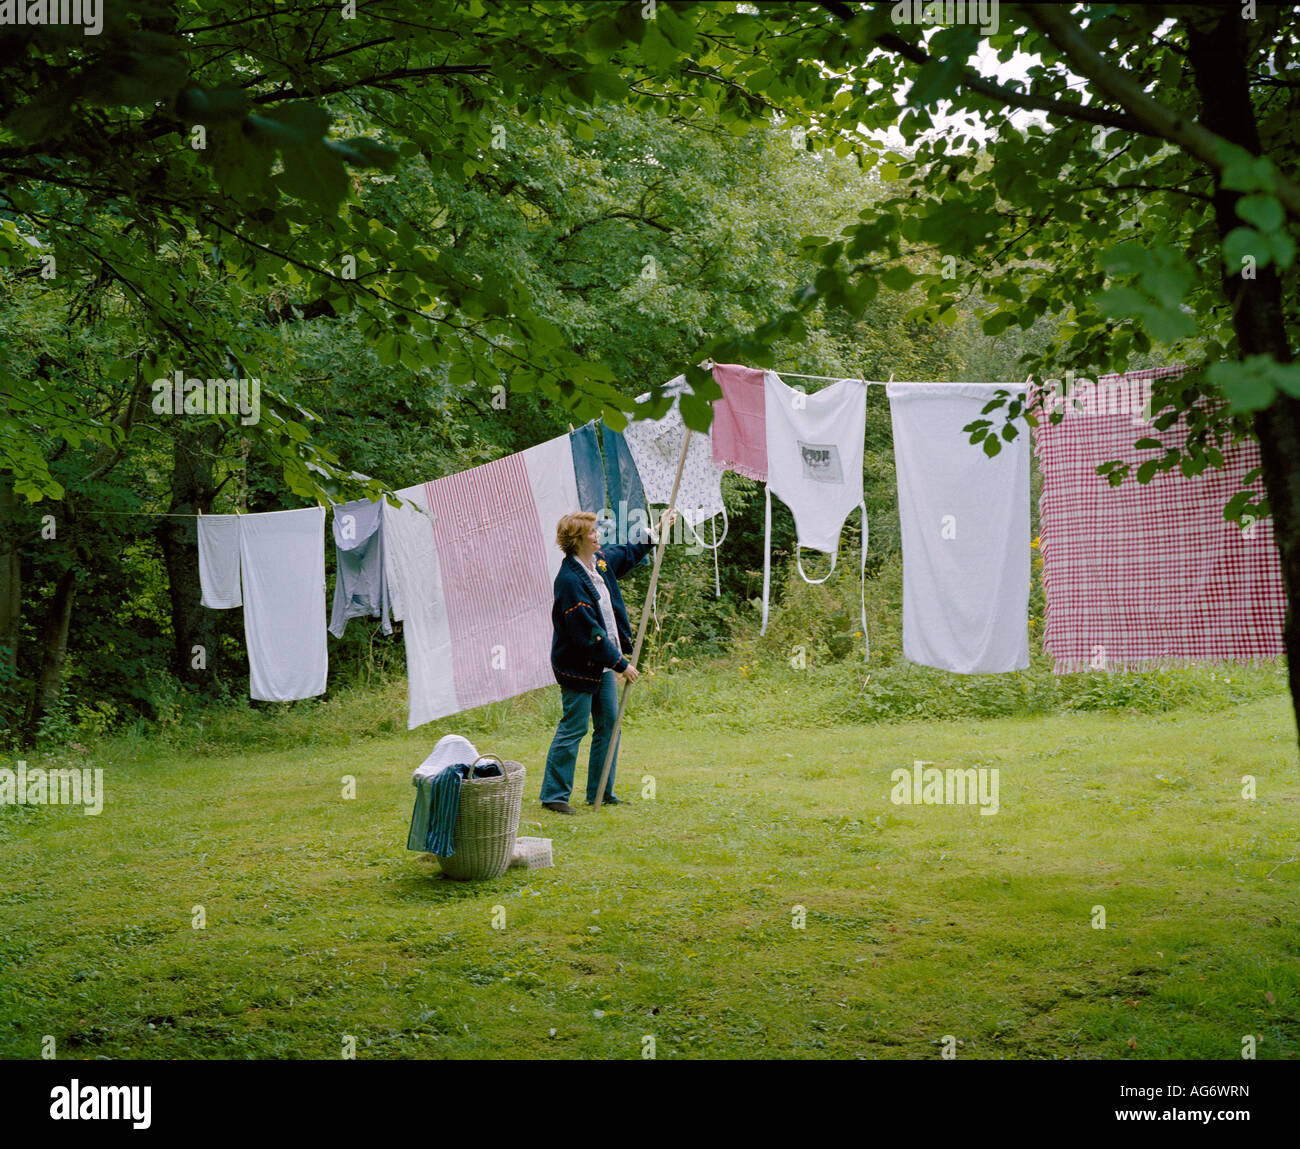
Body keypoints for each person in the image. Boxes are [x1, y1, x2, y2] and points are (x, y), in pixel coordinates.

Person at [540, 508, 676, 813]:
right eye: (591, 532)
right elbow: (589, 634)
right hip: (578, 666)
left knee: (609, 725)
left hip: (601, 665)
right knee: (574, 727)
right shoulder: (569, 581)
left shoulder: (598, 563)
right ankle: (554, 796)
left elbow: (627, 553)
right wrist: (621, 664)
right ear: (577, 540)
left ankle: (600, 791)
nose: (597, 534)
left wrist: (657, 530)